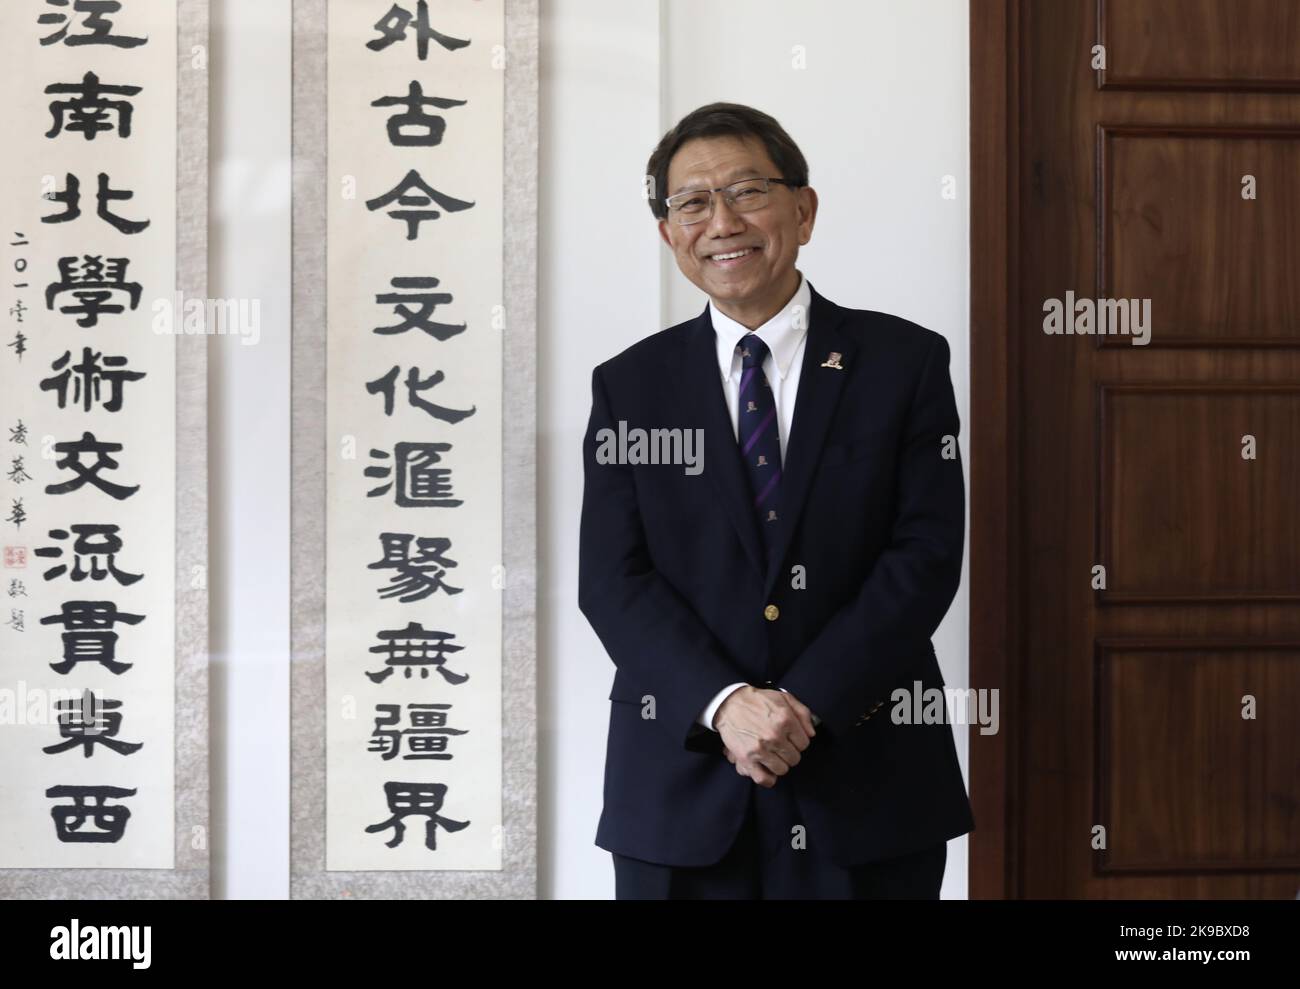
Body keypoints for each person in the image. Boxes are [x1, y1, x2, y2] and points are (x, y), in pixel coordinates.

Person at [578, 102, 973, 899]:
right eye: (691, 202)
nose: (721, 220)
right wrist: (726, 706)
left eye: (747, 190)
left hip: (868, 778)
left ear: (804, 208)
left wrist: (802, 706)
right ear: (668, 235)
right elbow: (614, 581)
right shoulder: (631, 385)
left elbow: (924, 558)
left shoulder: (904, 362)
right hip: (681, 783)